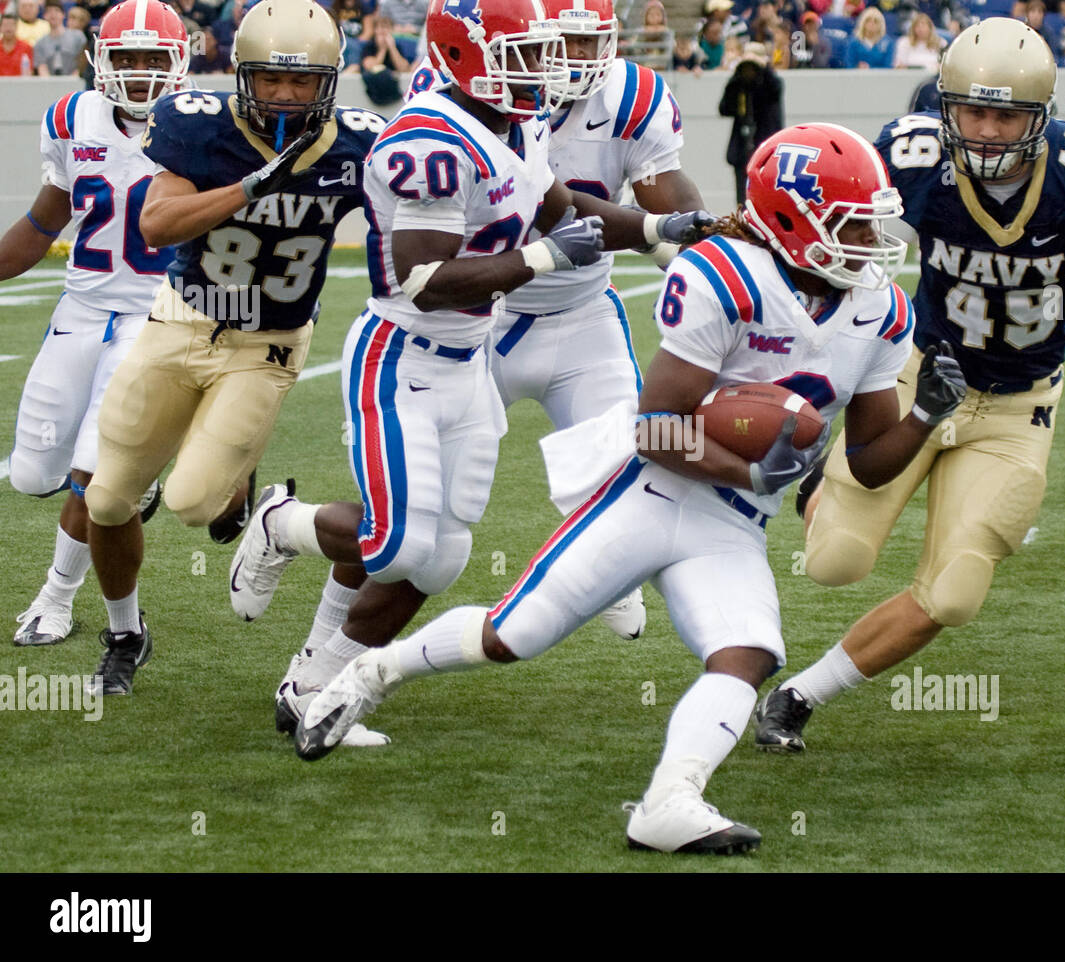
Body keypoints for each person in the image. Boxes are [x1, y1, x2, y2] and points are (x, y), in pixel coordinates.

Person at [293, 122, 971, 857]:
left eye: (871, 221)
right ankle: (374, 668)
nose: (870, 240)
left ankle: (669, 801)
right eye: (849, 223)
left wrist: (927, 417)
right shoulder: (724, 276)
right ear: (788, 218)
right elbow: (653, 430)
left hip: (733, 522)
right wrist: (748, 468)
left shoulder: (882, 310)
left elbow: (870, 461)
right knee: (511, 637)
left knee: (748, 652)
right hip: (647, 495)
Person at [228, 0, 712, 743]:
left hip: (466, 365)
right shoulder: (427, 138)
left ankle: (316, 686)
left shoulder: (517, 122)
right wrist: (545, 260)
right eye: (521, 54)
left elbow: (557, 207)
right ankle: (282, 524)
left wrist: (652, 228)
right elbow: (424, 277)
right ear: (464, 57)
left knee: (441, 558)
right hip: (401, 358)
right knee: (397, 545)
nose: (540, 70)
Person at [752, 17, 1065, 754]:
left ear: (1041, 116)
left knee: (956, 592)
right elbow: (834, 257)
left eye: (1006, 114)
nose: (987, 130)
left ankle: (801, 693)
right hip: (921, 377)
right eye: (972, 110)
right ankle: (820, 487)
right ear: (946, 105)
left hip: (1018, 406)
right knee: (834, 562)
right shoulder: (913, 160)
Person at [79, 0, 385, 696]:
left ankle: (260, 502)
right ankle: (126, 633)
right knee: (106, 501)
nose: (283, 94)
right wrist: (247, 188)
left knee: (190, 502)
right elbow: (156, 225)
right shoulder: (199, 125)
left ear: (329, 82)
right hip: (181, 321)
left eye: (301, 81)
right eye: (269, 79)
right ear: (241, 75)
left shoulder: (356, 144)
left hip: (268, 343)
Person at [2, 0, 185, 650]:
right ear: (100, 62)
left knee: (94, 478)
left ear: (180, 61)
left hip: (156, 318)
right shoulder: (71, 118)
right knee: (30, 475)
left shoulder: (203, 126)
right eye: (127, 58)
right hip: (78, 314)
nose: (140, 71)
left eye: (153, 58)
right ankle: (143, 473)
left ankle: (56, 597)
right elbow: (43, 224)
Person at [719, 40, 783, 204]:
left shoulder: (770, 82)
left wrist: (763, 68)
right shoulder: (739, 84)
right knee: (742, 198)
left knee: (766, 195)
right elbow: (725, 108)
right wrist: (738, 75)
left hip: (765, 147)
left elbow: (773, 91)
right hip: (742, 148)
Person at [33, 1, 87, 76]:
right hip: (50, 85)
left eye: (56, 10)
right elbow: (42, 69)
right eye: (49, 11)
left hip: (76, 82)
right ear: (44, 16)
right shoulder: (40, 44)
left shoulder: (78, 37)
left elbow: (82, 63)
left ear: (63, 14)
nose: (53, 14)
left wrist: (73, 80)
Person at [0, 10, 35, 76]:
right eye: (5, 25)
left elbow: (30, 72)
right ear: (0, 28)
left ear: (16, 27)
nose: (8, 28)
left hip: (21, 84)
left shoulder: (26, 47)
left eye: (11, 25)